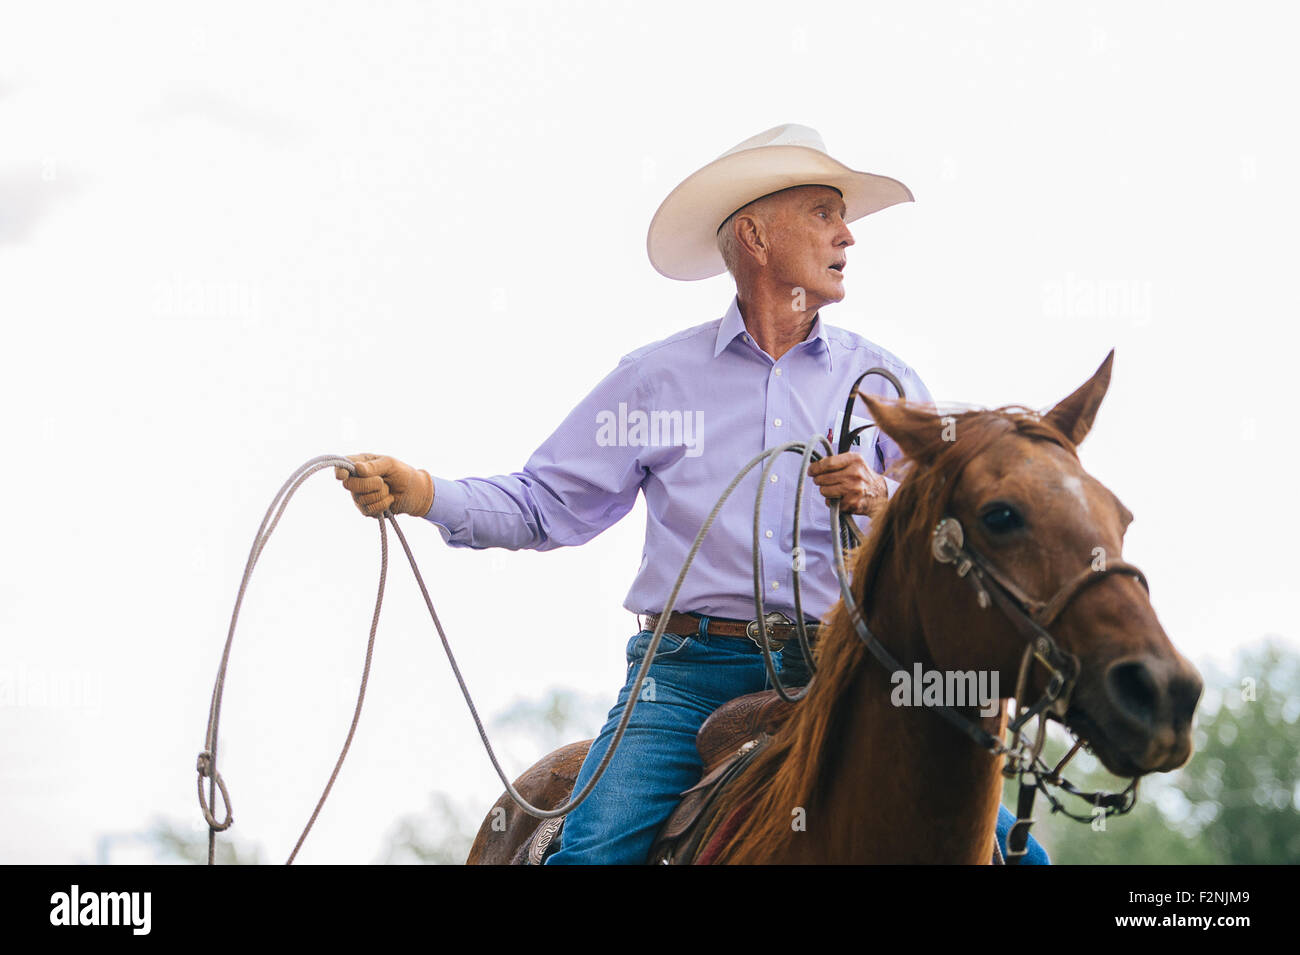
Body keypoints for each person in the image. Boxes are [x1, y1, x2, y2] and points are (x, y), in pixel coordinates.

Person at [335, 124, 1049, 865]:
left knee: (1013, 856)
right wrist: (423, 492)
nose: (848, 236)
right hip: (682, 681)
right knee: (591, 856)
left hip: (851, 667)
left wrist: (879, 498)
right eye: (824, 212)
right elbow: (547, 504)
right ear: (755, 234)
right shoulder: (657, 380)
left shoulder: (885, 385)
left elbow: (956, 536)